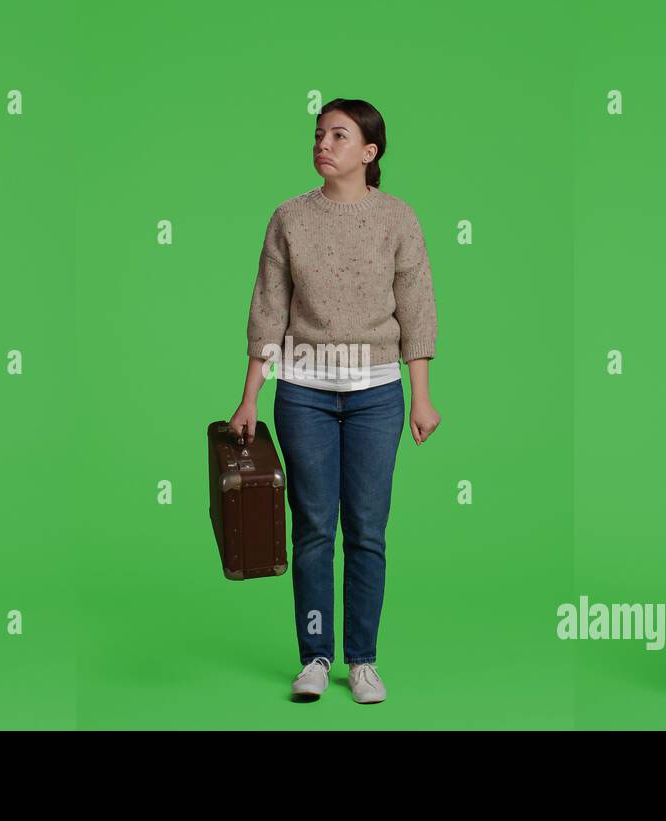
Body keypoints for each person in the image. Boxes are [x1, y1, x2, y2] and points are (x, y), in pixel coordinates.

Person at [229, 99, 440, 705]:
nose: (324, 144)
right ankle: (315, 656)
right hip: (302, 394)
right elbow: (268, 310)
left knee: (368, 530)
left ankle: (364, 659)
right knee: (315, 527)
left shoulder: (398, 219)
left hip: (377, 394)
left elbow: (417, 309)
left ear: (369, 152)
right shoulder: (289, 218)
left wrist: (421, 396)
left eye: (339, 136)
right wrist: (250, 397)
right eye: (319, 134)